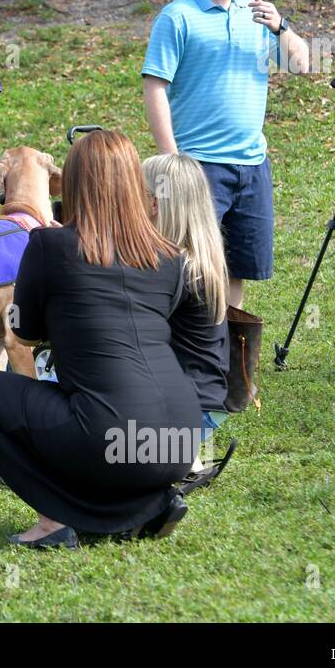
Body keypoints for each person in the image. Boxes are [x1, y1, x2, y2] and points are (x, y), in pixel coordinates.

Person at [0, 130, 200, 548]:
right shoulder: (169, 256)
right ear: (134, 185)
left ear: (71, 184)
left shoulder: (49, 245)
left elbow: (28, 332)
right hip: (182, 437)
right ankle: (153, 502)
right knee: (103, 419)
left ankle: (53, 521)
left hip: (108, 433)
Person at [142, 0, 310, 310]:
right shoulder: (177, 17)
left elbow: (302, 65)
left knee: (236, 270)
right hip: (199, 166)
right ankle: (184, 355)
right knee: (189, 264)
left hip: (252, 166)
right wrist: (172, 159)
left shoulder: (258, 14)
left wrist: (282, 26)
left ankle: (231, 364)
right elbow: (155, 88)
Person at [143, 153, 230, 456]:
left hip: (184, 416)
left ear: (154, 204)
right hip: (208, 406)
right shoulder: (201, 263)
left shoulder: (172, 269)